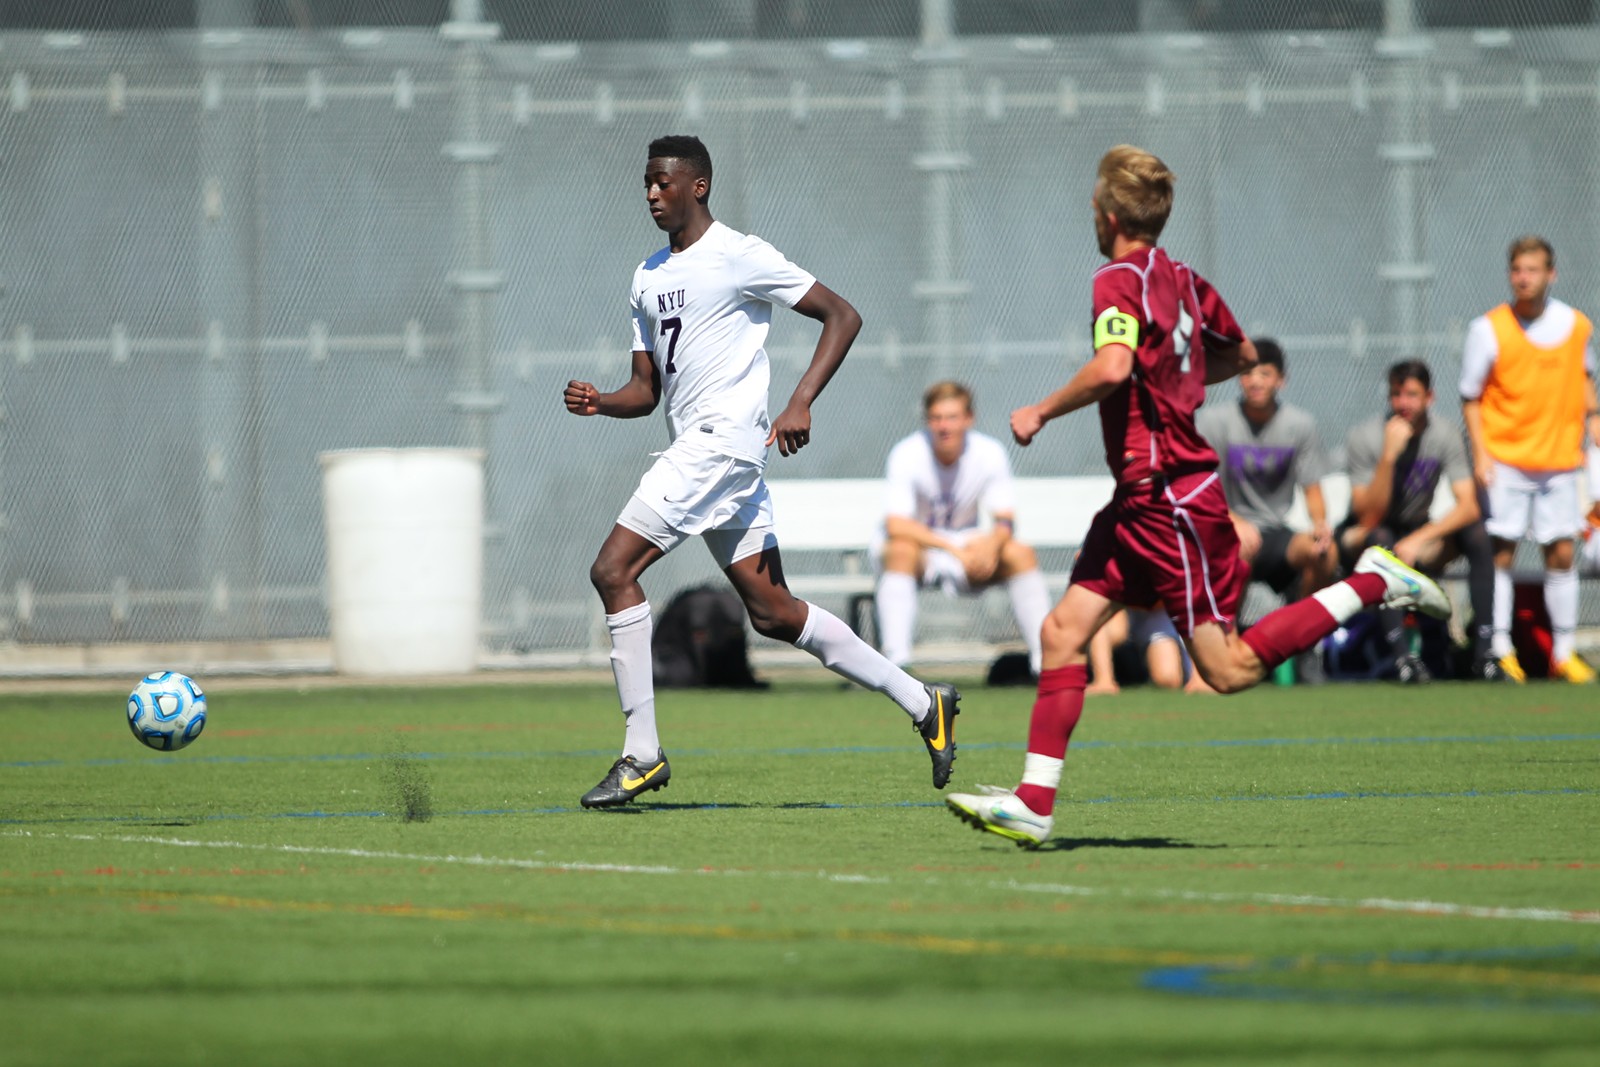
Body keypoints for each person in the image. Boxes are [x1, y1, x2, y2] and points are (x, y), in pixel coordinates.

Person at [943, 144, 1450, 849]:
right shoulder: (1184, 278)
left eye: (1094, 205)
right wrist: (1173, 373)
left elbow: (1115, 363)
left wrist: (1042, 409)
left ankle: (1372, 581)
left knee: (1227, 667)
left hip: (1171, 501)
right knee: (1062, 633)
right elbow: (1239, 355)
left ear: (1111, 214)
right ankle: (1033, 801)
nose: (1092, 214)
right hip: (1138, 501)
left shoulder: (1115, 277)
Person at [563, 135, 961, 808]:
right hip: (702, 446)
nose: (653, 193)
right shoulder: (647, 276)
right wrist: (602, 401)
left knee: (612, 571)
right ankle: (925, 700)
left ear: (699, 185)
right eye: (646, 183)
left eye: (664, 181)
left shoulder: (739, 254)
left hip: (720, 446)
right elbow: (646, 390)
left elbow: (842, 315)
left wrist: (801, 399)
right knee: (774, 615)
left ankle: (641, 753)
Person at [1460, 235, 1600, 683]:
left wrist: (1594, 420)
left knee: (1561, 551)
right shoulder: (1489, 328)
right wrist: (1481, 455)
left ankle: (1563, 652)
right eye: (1517, 269)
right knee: (1502, 551)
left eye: (1533, 269)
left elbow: (1584, 378)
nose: (1524, 278)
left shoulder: (1576, 325)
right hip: (1506, 459)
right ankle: (1501, 650)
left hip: (1559, 459)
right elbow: (1471, 397)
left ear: (1550, 274)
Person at [874, 381, 1052, 675]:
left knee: (1021, 553)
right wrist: (955, 550)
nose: (944, 426)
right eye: (936, 418)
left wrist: (990, 548)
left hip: (967, 546)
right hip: (925, 549)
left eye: (952, 417)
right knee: (899, 551)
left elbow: (1005, 519)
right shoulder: (906, 453)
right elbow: (896, 525)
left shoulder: (990, 452)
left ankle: (1045, 663)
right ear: (927, 420)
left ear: (969, 418)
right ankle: (895, 664)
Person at [1339, 360, 1499, 682]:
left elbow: (1469, 506)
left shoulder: (1445, 434)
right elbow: (1367, 515)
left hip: (1415, 532)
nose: (1403, 403)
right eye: (1396, 394)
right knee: (1380, 538)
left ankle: (1484, 655)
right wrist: (1388, 457)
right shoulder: (1366, 436)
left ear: (1430, 397)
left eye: (1412, 394)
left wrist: (1420, 538)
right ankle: (1404, 661)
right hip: (1362, 535)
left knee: (1477, 534)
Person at [1195, 337, 1336, 680]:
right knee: (1240, 545)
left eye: (1264, 373)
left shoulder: (1299, 425)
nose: (1255, 381)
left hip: (1274, 534)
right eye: (1247, 373)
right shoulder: (1215, 422)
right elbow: (1199, 484)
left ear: (1280, 380)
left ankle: (1305, 644)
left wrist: (1320, 525)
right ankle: (1228, 646)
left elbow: (1313, 489)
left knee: (1324, 554)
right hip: (1225, 532)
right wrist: (1233, 519)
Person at [1086, 607, 1212, 695]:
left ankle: (1199, 676)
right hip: (1122, 608)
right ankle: (1103, 681)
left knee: (1168, 680)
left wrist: (1199, 677)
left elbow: (1192, 598)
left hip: (1158, 612)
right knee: (1108, 624)